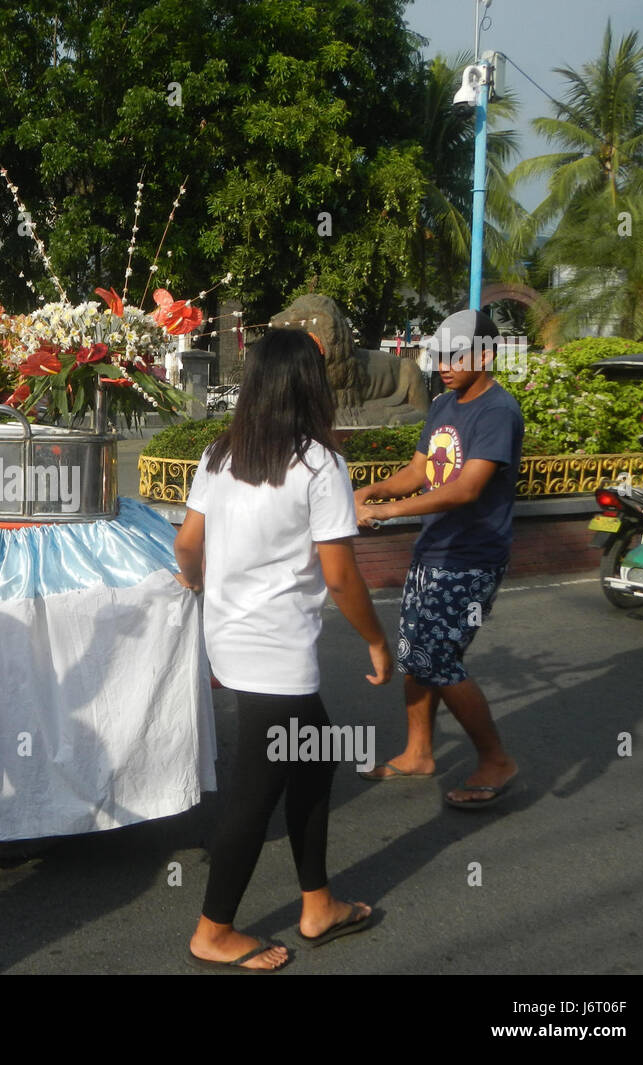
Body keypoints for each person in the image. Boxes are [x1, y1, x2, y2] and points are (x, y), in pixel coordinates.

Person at [176, 328, 393, 972]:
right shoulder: (318, 465)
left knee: (319, 755)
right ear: (310, 386)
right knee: (255, 791)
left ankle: (318, 903)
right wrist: (379, 642)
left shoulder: (220, 456)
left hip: (232, 638)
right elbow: (341, 575)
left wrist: (198, 582)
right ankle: (213, 930)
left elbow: (189, 544)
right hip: (277, 652)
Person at [355, 309, 523, 810]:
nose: (444, 365)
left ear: (486, 355)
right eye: (439, 356)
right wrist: (375, 488)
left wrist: (389, 512)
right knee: (414, 651)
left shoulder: (498, 411)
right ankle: (419, 752)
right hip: (433, 549)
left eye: (455, 355)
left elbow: (467, 488)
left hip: (471, 557)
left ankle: (496, 760)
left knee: (439, 656)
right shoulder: (444, 404)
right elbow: (421, 469)